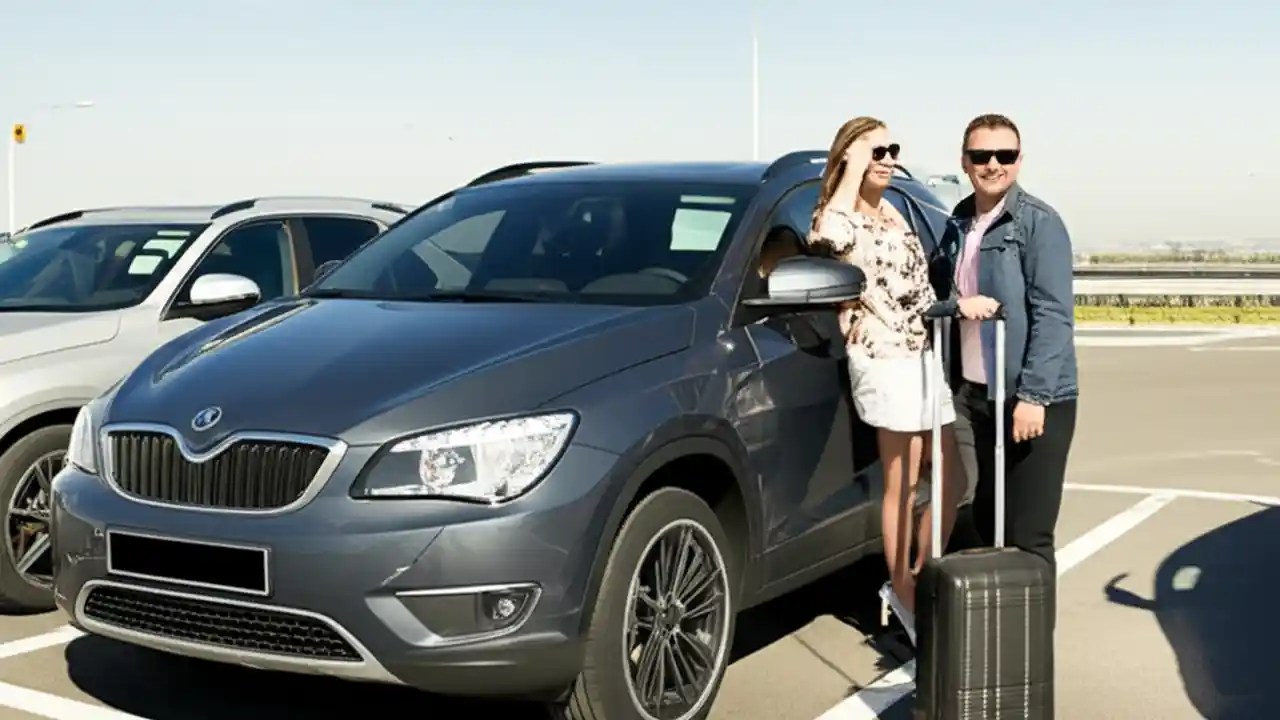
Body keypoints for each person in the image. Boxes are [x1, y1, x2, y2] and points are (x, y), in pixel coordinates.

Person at [805, 116, 980, 644]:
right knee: (901, 480)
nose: (886, 159)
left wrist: (957, 307)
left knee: (951, 475)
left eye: (890, 149)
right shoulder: (840, 219)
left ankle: (923, 574)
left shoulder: (894, 213)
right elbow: (824, 237)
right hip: (880, 357)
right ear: (848, 160)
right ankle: (903, 589)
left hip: (919, 352)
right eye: (873, 151)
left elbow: (920, 290)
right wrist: (849, 169)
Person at [930, 113, 1079, 597]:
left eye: (1005, 155)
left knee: (1028, 533)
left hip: (1030, 397)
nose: (993, 165)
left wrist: (1033, 396)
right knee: (982, 519)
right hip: (974, 395)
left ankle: (1030, 660)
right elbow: (943, 297)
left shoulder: (1038, 222)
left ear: (1019, 159)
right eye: (981, 156)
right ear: (964, 161)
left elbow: (1053, 315)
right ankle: (988, 644)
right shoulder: (957, 222)